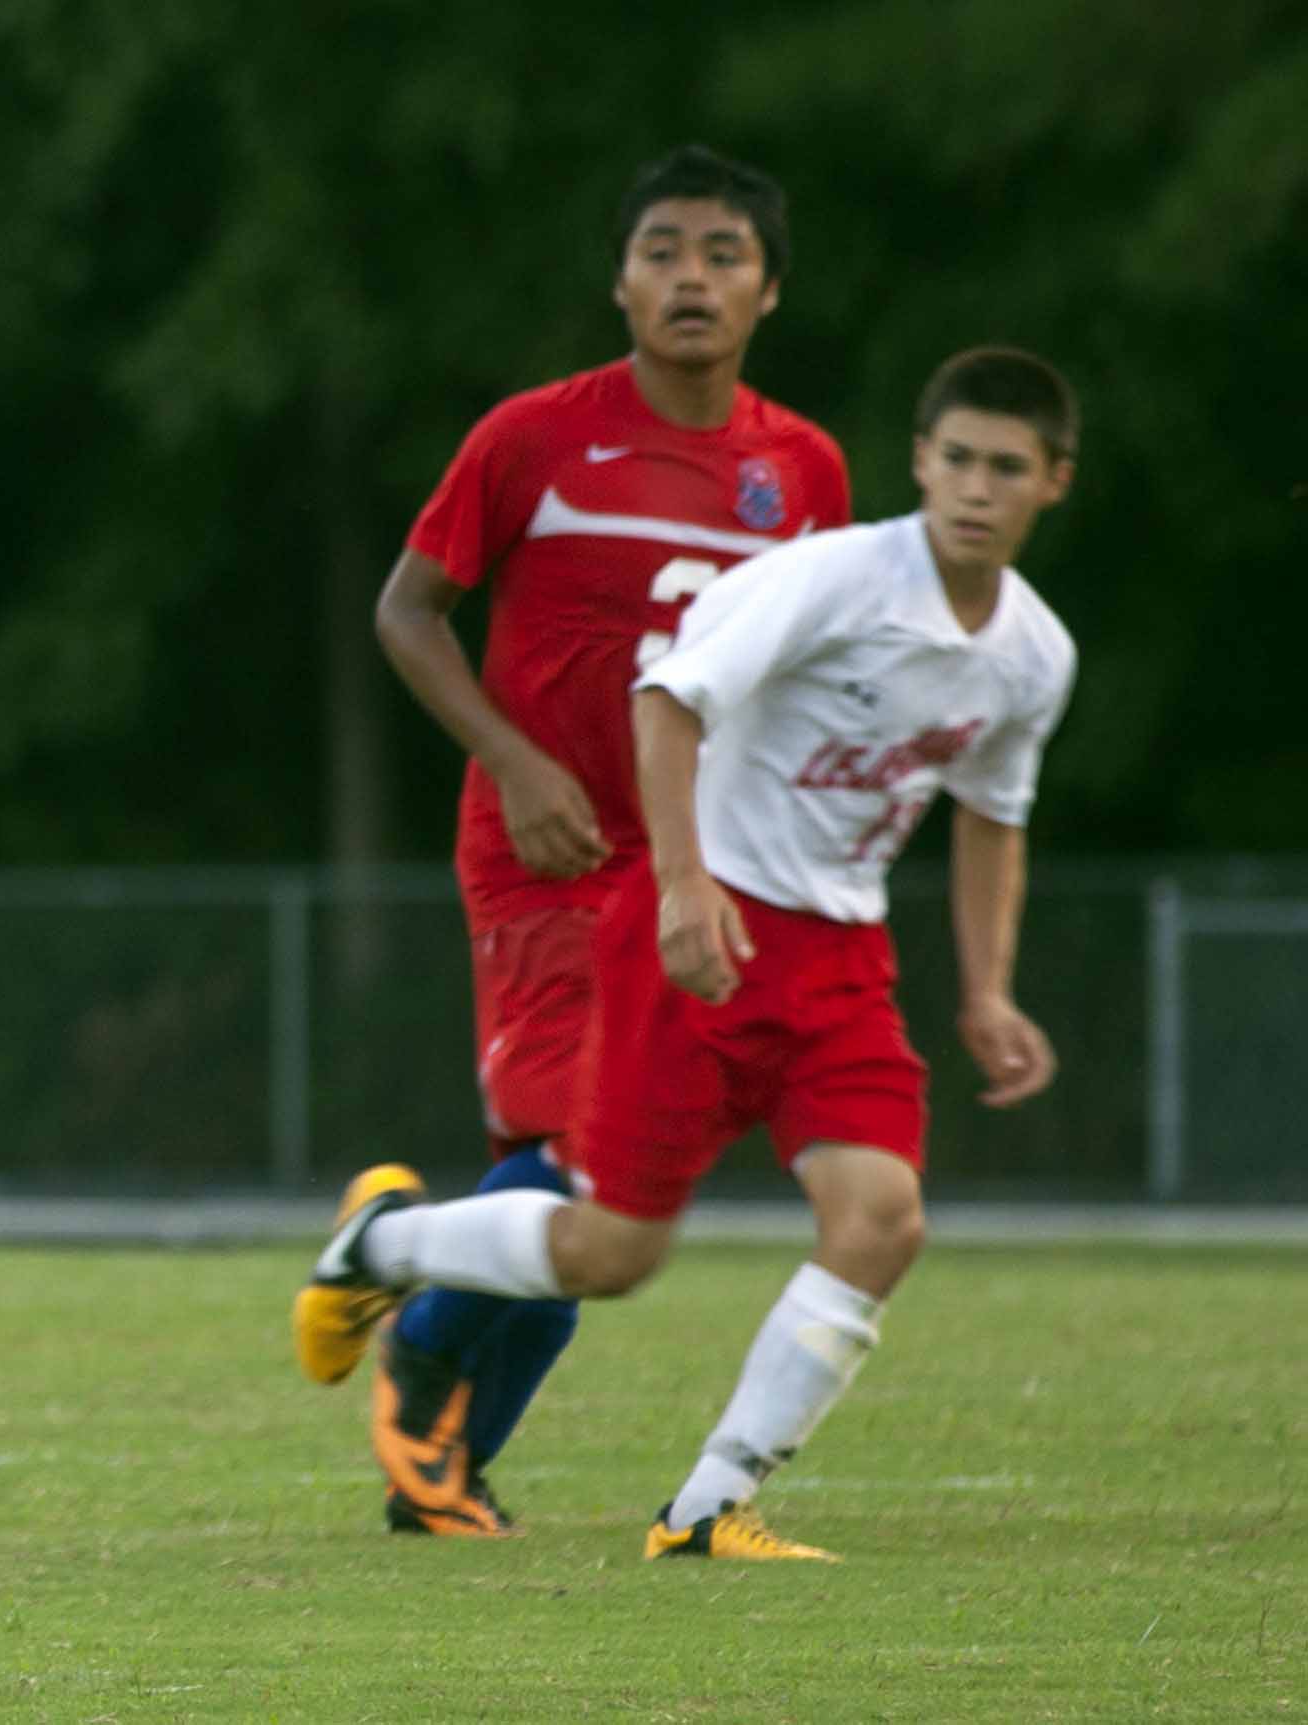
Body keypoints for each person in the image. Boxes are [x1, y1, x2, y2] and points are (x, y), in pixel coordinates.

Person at [299, 347, 1082, 1562]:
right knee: (611, 1254)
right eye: (960, 460)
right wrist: (681, 883)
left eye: (1008, 468)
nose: (979, 489)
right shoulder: (833, 579)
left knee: (882, 1220)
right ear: (921, 463)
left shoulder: (1034, 654)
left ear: (1054, 481)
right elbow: (666, 697)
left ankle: (709, 1507)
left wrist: (988, 991)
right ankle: (381, 1245)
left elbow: (992, 815)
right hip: (705, 927)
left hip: (840, 958)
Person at [346, 145, 851, 1535]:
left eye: (722, 255)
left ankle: (444, 1473)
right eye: (661, 250)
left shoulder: (804, 469)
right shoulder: (531, 438)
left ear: (767, 290)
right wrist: (512, 762)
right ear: (618, 280)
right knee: (576, 1165)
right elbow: (405, 612)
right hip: (549, 849)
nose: (690, 277)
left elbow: (804, 673)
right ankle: (413, 1331)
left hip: (696, 865)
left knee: (608, 1200)